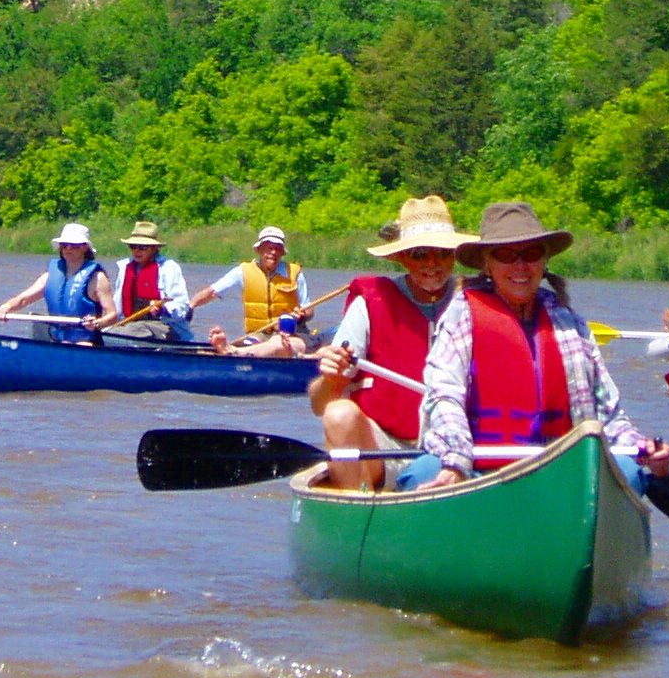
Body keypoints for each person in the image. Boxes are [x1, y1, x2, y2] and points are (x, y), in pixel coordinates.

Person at [419, 200, 669, 492]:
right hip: (478, 467)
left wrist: (642, 449)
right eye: (506, 255)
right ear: (487, 264)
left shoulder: (568, 322)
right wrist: (455, 462)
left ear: (544, 261)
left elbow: (607, 412)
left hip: (559, 466)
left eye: (531, 254)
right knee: (423, 472)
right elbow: (444, 396)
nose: (520, 266)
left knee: (629, 471)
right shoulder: (461, 316)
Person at [309, 195, 473, 491]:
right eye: (420, 254)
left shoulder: (475, 303)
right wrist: (330, 379)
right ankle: (359, 511)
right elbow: (320, 405)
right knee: (338, 413)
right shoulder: (370, 305)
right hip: (386, 450)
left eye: (443, 253)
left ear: (456, 255)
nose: (433, 264)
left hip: (460, 445)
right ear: (402, 257)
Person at [194, 227, 313, 355]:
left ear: (282, 253)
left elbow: (309, 310)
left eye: (278, 249)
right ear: (259, 250)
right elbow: (212, 291)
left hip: (290, 334)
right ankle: (234, 351)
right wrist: (191, 306)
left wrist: (301, 316)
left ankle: (234, 351)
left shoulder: (294, 273)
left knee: (277, 344)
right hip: (259, 334)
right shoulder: (243, 271)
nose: (273, 252)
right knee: (250, 344)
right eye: (269, 248)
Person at [0, 223, 115, 343]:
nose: (68, 248)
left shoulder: (97, 278)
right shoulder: (49, 276)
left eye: (74, 245)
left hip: (86, 342)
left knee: (83, 345)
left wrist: (97, 323)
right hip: (58, 340)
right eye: (64, 245)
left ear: (85, 247)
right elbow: (23, 299)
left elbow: (112, 315)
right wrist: (5, 308)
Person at [93, 221, 195, 341]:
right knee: (104, 334)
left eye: (142, 248)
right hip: (129, 326)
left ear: (154, 248)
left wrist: (163, 309)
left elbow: (182, 307)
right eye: (133, 247)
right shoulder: (125, 267)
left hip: (165, 327)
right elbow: (118, 306)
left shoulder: (169, 268)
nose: (136, 251)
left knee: (134, 330)